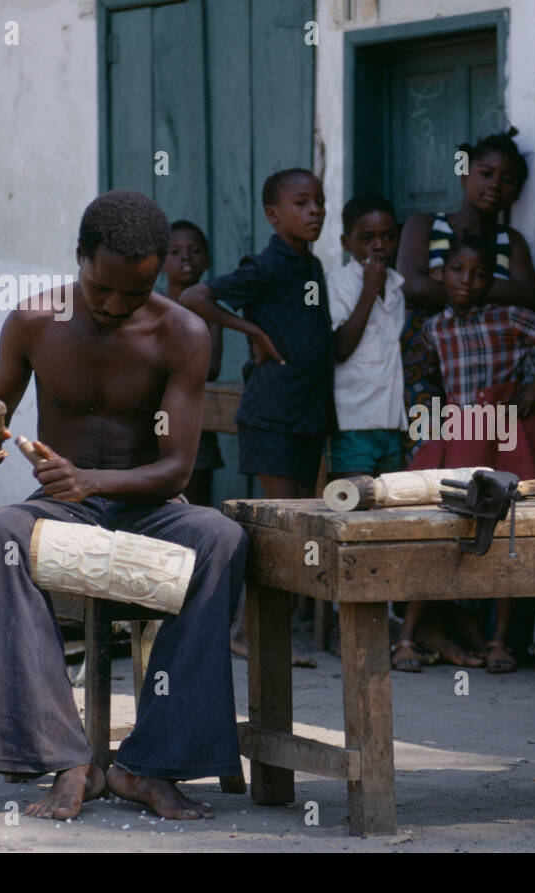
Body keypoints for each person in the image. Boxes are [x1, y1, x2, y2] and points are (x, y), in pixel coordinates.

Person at [0, 190, 248, 821]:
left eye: (136, 293)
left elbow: (177, 466)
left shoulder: (183, 332)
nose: (116, 305)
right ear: (79, 259)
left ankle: (147, 765)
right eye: (101, 290)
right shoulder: (34, 321)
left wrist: (91, 480)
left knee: (222, 539)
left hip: (151, 505)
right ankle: (67, 758)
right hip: (61, 508)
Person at [392, 235, 535, 673]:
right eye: (456, 271)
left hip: (505, 432)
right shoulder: (433, 328)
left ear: (491, 281)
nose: (465, 282)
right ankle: (407, 638)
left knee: (506, 527)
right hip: (458, 431)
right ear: (441, 274)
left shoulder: (509, 318)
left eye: (478, 274)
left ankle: (498, 641)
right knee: (434, 525)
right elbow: (430, 376)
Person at [179, 168, 329, 668]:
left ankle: (258, 633)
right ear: (273, 213)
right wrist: (253, 331)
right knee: (280, 529)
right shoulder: (266, 265)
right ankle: (247, 633)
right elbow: (194, 297)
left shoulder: (310, 267)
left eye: (319, 203)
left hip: (306, 414)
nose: (315, 211)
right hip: (271, 414)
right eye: (302, 203)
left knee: (299, 527)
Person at [396, 128, 535, 462]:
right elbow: (412, 286)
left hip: (490, 366)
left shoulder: (511, 240)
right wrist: (494, 292)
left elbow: (530, 295)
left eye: (507, 179)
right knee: (428, 449)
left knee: (485, 454)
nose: (494, 185)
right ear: (464, 174)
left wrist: (446, 282)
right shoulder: (425, 225)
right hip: (425, 359)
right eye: (486, 173)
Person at [326, 195, 407, 478]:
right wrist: (369, 291)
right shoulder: (336, 285)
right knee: (354, 503)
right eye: (367, 238)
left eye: (388, 237)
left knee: (389, 508)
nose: (379, 246)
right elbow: (339, 348)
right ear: (346, 243)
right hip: (353, 423)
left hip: (391, 422)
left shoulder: (397, 287)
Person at [161, 220, 223, 506]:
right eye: (174, 252)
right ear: (160, 261)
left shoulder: (210, 310)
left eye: (195, 250)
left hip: (198, 424)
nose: (185, 257)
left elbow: (210, 368)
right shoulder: (150, 305)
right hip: (155, 424)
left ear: (207, 261)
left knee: (194, 506)